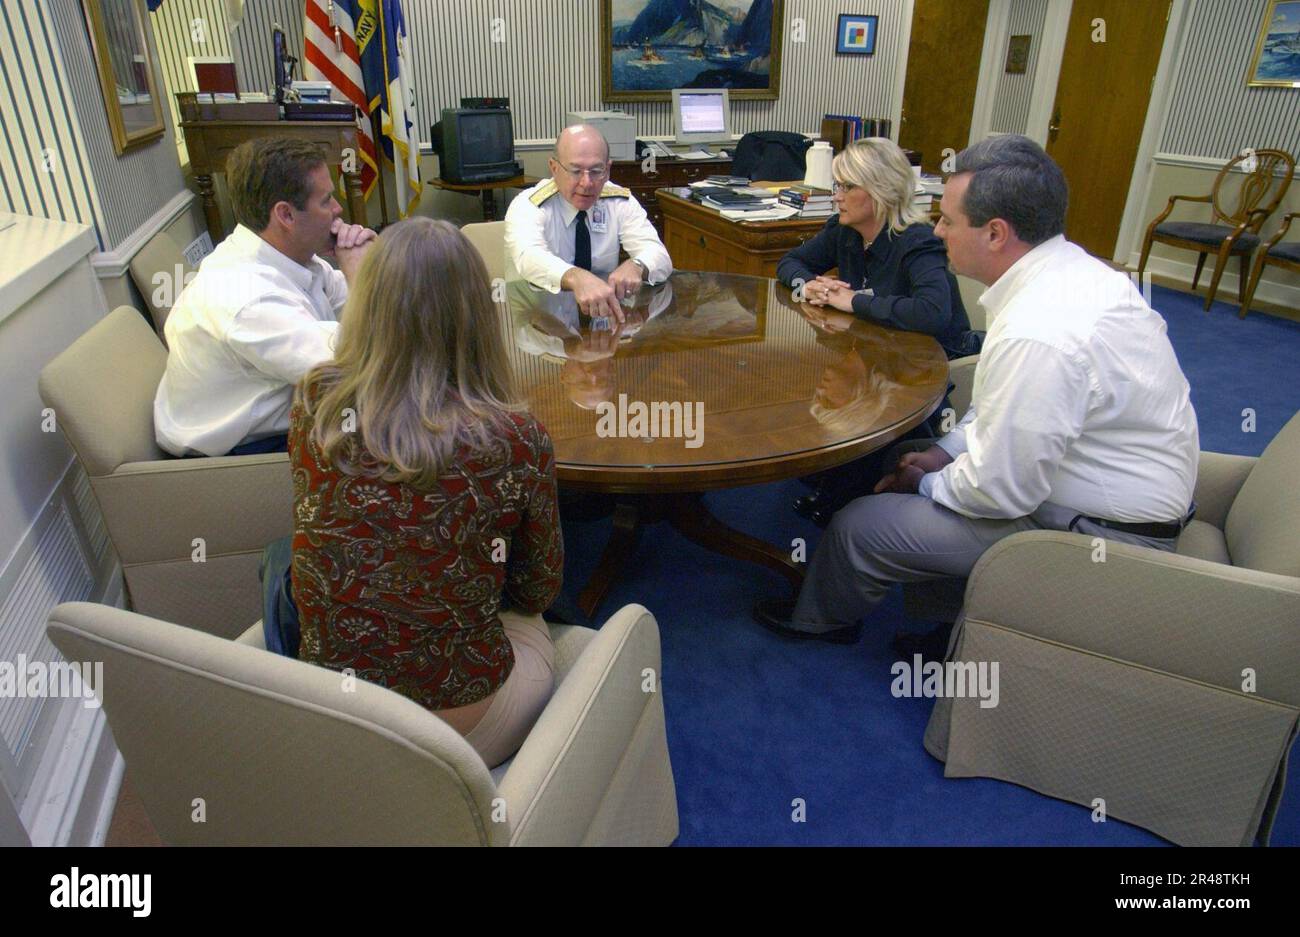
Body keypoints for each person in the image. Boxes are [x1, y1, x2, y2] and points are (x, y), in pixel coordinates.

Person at [753, 134, 1199, 645]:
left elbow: (999, 491)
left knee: (860, 524)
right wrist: (940, 455)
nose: (936, 230)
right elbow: (995, 412)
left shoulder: (1041, 333)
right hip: (1106, 497)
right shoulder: (1077, 275)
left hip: (1100, 533)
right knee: (912, 453)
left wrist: (922, 482)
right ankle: (958, 630)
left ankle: (821, 621)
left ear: (995, 233)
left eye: (946, 220)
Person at [290, 217, 562, 768]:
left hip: (334, 709)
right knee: (535, 629)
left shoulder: (315, 402)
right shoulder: (515, 438)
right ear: (478, 314)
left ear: (369, 304)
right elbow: (536, 592)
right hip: (455, 730)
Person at [776, 137, 974, 524]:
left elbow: (932, 313)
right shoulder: (846, 232)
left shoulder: (916, 242)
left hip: (925, 366)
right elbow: (791, 261)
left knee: (852, 407)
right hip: (871, 354)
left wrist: (853, 302)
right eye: (837, 186)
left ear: (880, 189)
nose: (837, 197)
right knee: (827, 400)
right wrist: (808, 285)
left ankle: (847, 498)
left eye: (847, 187)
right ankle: (838, 483)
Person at [154, 136, 376, 457]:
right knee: (404, 430)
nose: (338, 209)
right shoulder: (248, 298)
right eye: (326, 200)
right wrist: (361, 275)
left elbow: (354, 314)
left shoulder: (295, 256)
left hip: (283, 406)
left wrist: (367, 272)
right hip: (242, 449)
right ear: (285, 215)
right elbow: (359, 367)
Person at [505, 125, 672, 322]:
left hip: (603, 324)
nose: (587, 183)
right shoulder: (529, 205)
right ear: (554, 168)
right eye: (575, 171)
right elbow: (529, 256)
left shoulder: (618, 201)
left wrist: (637, 266)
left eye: (596, 171)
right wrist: (574, 277)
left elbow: (659, 255)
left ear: (608, 169)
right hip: (541, 324)